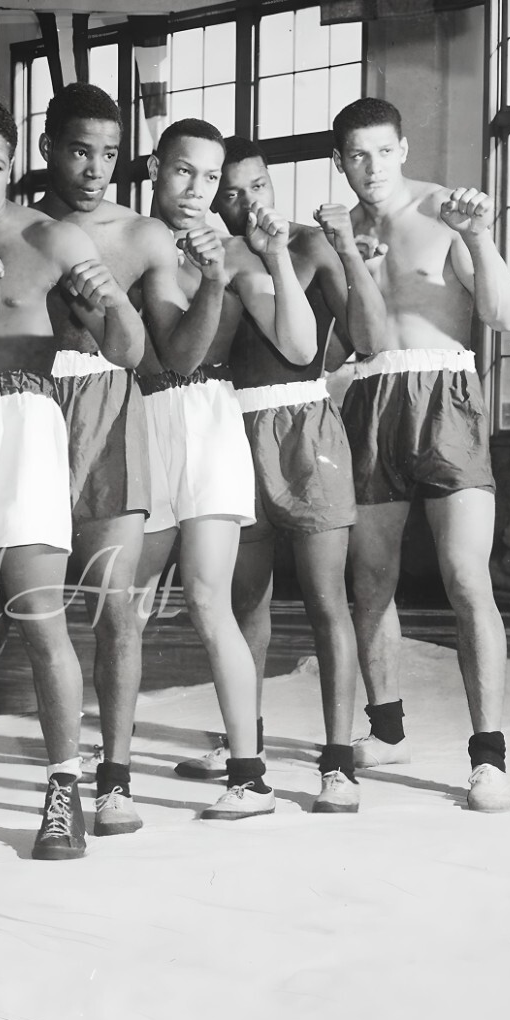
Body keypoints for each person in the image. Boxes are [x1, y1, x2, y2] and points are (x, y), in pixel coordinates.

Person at [0, 83, 183, 836]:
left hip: (104, 408)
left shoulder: (134, 235)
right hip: (13, 407)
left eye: (109, 154)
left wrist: (111, 303)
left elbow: (144, 350)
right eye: (80, 150)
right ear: (44, 151)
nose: (94, 168)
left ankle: (112, 778)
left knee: (114, 602)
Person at [180, 136, 387, 813]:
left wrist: (352, 255)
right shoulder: (211, 252)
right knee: (248, 603)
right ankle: (247, 739)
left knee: (328, 597)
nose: (245, 202)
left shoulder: (309, 244)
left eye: (256, 186)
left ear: (274, 183)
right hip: (234, 427)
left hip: (305, 425)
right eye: (231, 191)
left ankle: (337, 760)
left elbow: (365, 338)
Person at [330, 98, 510, 813]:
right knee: (369, 579)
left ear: (403, 149)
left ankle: (490, 757)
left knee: (467, 576)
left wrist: (480, 236)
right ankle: (386, 729)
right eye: (356, 154)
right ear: (340, 161)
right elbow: (338, 342)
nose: (371, 167)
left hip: (444, 393)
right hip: (370, 399)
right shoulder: (339, 228)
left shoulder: (446, 209)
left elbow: (503, 313)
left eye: (383, 151)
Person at [130, 119, 318, 819]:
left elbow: (300, 347)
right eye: (184, 171)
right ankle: (110, 763)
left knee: (212, 602)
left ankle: (250, 775)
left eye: (210, 177)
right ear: (155, 167)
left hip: (209, 424)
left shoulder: (238, 254)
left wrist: (271, 259)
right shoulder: (127, 237)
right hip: (142, 421)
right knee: (127, 607)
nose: (197, 189)